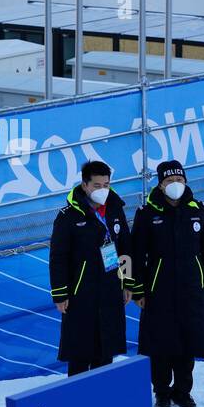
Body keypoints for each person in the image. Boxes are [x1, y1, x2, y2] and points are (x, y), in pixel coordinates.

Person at [129, 160, 204, 407]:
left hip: (192, 289)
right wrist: (137, 290)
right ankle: (161, 391)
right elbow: (135, 254)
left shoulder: (198, 210)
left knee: (187, 342)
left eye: (179, 180)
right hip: (158, 291)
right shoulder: (147, 213)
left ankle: (182, 391)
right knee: (160, 344)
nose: (175, 185)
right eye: (170, 181)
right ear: (160, 184)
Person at [48, 160, 134, 376]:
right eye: (97, 185)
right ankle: (77, 401)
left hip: (110, 288)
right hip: (80, 293)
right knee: (80, 350)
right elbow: (58, 257)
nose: (103, 190)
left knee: (106, 349)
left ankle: (101, 398)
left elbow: (125, 247)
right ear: (85, 185)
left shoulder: (115, 209)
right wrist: (60, 294)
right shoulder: (67, 216)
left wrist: (128, 282)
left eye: (106, 185)